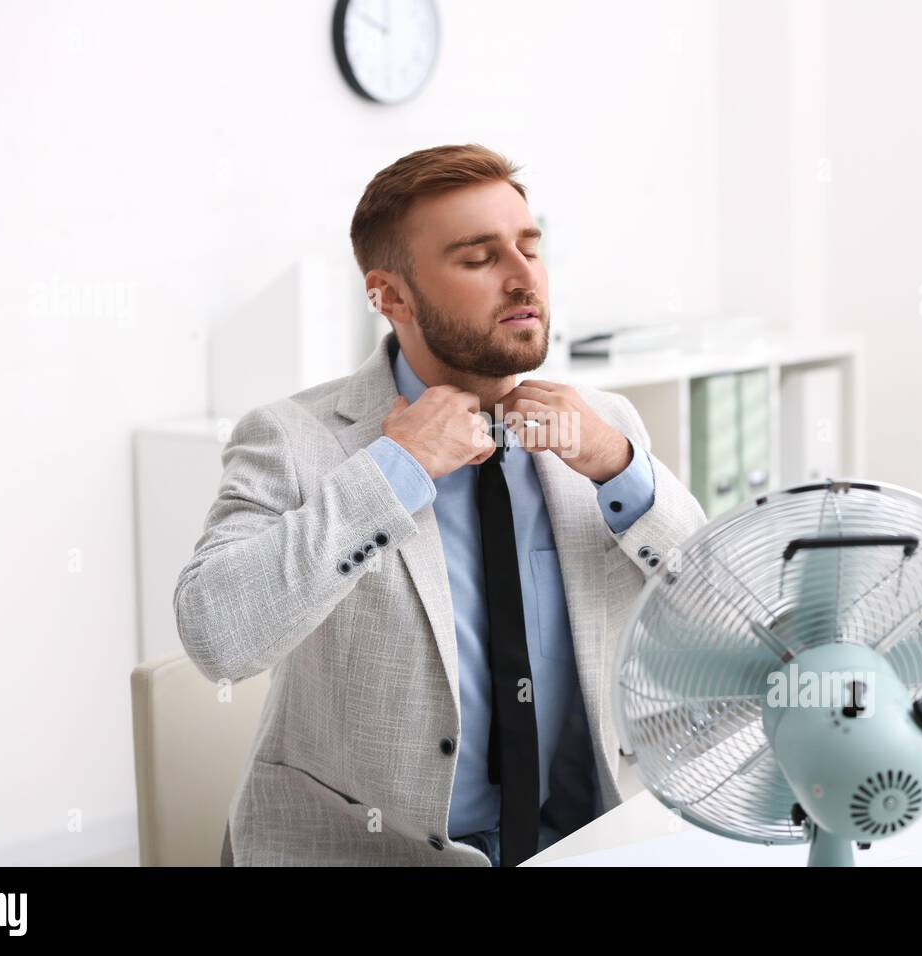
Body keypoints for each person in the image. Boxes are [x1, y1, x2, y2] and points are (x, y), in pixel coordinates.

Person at [177, 144, 707, 866]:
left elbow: (711, 606)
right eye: (479, 257)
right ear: (390, 296)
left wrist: (618, 467)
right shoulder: (291, 438)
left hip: (582, 842)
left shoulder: (605, 425)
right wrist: (392, 471)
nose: (525, 279)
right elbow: (218, 638)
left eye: (529, 246)